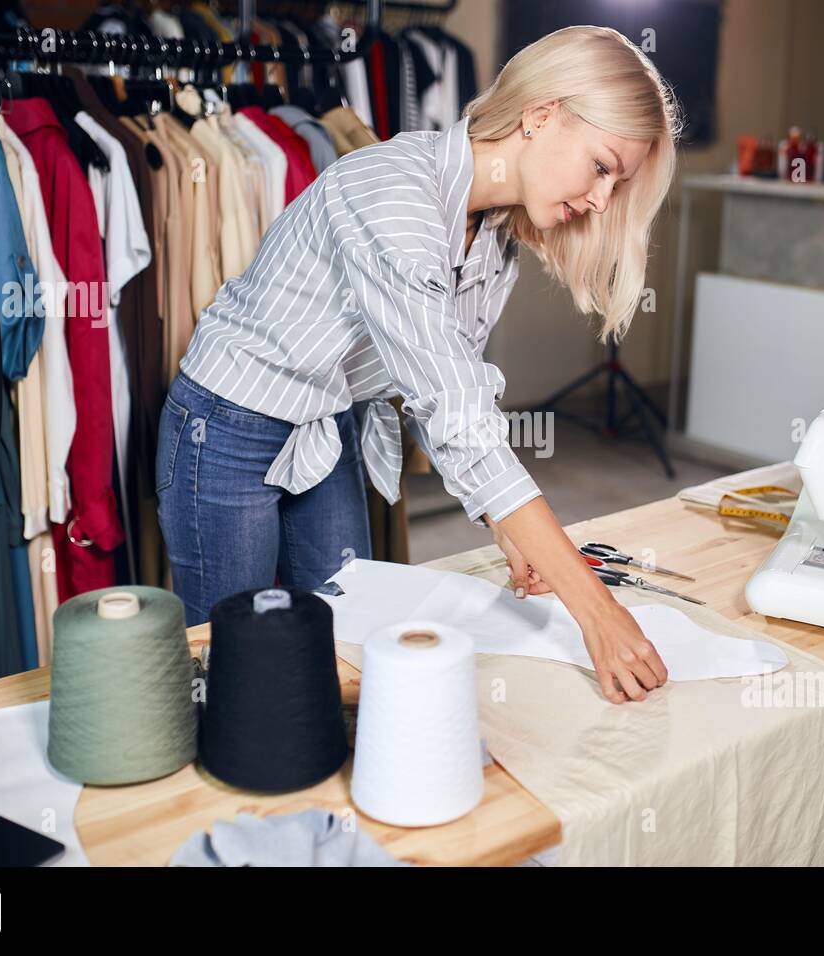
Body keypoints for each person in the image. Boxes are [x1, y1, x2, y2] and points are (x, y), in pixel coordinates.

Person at [158, 25, 680, 703]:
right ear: (541, 115)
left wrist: (507, 528)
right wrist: (597, 612)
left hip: (326, 419)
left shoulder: (495, 237)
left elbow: (443, 398)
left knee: (349, 640)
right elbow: (456, 415)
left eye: (618, 182)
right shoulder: (394, 194)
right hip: (226, 426)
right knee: (232, 671)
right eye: (602, 167)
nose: (602, 201)